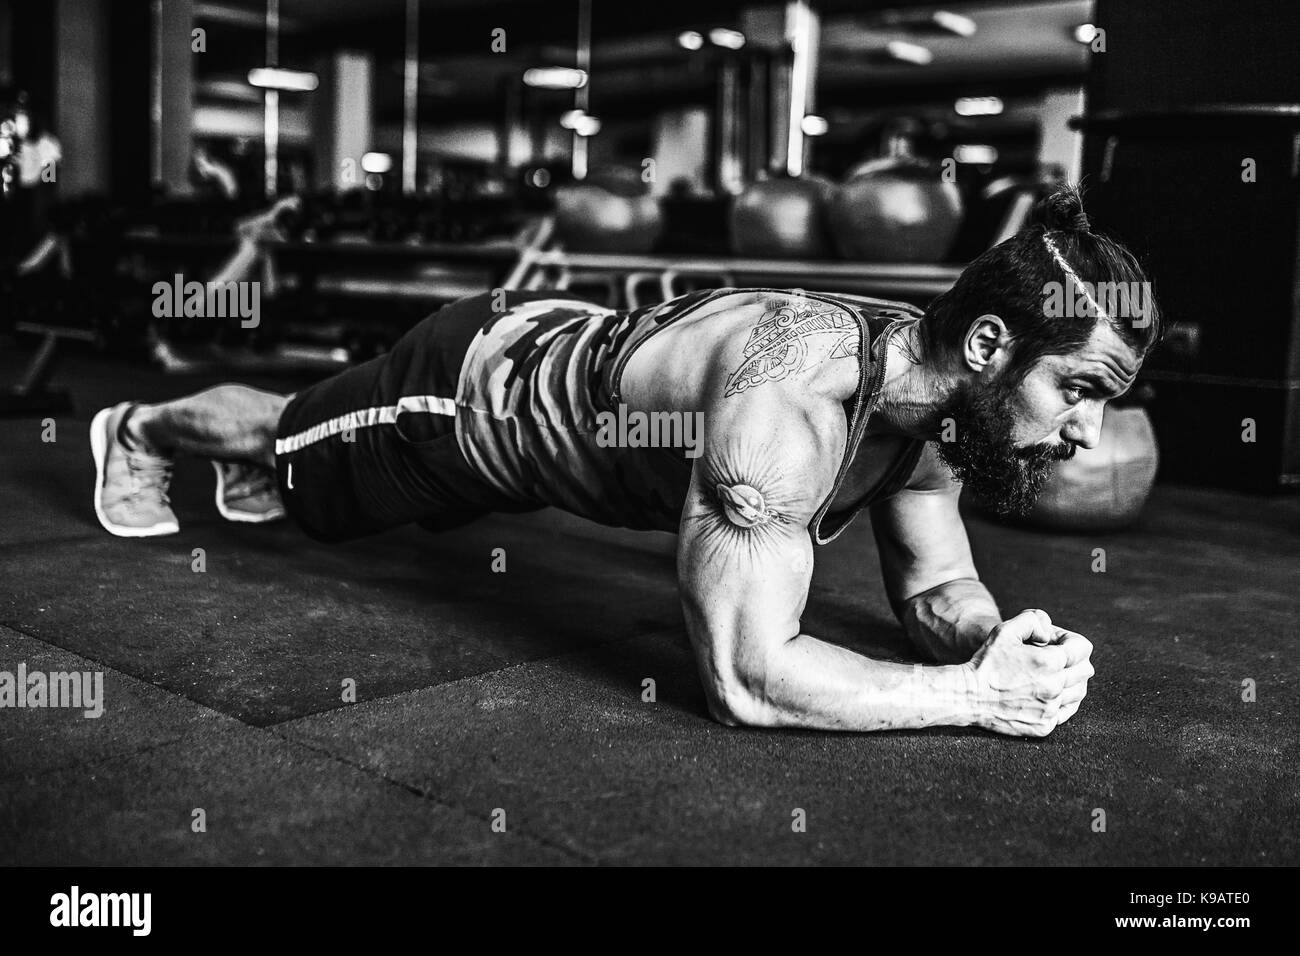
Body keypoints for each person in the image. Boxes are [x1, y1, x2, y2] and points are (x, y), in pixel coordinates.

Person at [88, 186, 1161, 736]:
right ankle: (141, 426)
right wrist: (974, 697)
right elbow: (748, 682)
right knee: (293, 447)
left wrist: (998, 637)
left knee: (303, 471)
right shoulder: (791, 409)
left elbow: (935, 581)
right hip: (472, 395)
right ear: (987, 346)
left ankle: (262, 463)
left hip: (572, 360)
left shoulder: (934, 401)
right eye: (1078, 389)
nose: (1083, 433)